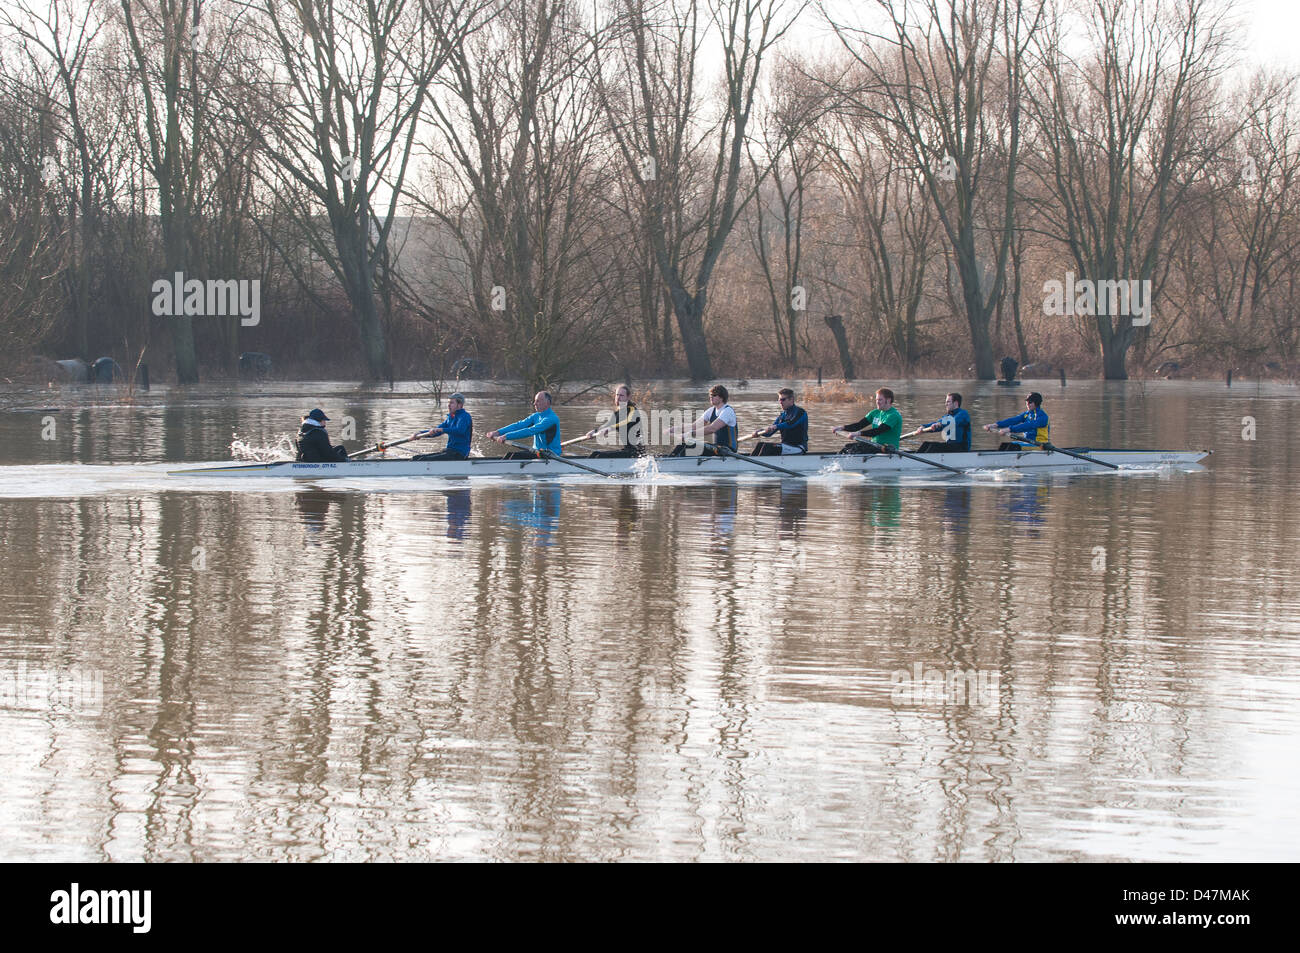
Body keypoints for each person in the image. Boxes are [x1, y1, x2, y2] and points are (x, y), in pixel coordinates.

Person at [666, 384, 738, 457]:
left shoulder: (727, 411)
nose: (711, 397)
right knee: (683, 445)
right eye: (710, 395)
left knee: (689, 447)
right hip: (717, 448)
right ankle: (668, 461)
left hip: (728, 450)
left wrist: (690, 434)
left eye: (714, 395)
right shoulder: (711, 411)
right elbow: (694, 426)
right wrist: (675, 429)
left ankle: (674, 464)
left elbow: (712, 428)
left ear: (721, 398)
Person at [487, 391, 562, 458]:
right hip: (536, 451)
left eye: (538, 401)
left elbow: (530, 431)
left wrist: (506, 436)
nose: (534, 403)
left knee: (514, 457)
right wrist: (497, 432)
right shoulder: (535, 416)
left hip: (550, 454)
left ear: (547, 403)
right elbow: (518, 425)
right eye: (535, 401)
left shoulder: (551, 419)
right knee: (509, 455)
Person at [832, 388, 902, 453]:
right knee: (847, 447)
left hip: (887, 449)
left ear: (888, 400)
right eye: (876, 400)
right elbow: (859, 425)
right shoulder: (875, 412)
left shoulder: (893, 415)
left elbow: (877, 431)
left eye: (880, 400)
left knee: (854, 450)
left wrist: (858, 433)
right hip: (875, 445)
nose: (877, 402)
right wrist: (842, 427)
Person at [585, 384, 645, 458]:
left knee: (600, 456)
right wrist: (594, 431)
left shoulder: (633, 411)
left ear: (628, 397)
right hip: (627, 450)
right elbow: (607, 424)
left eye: (621, 395)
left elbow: (625, 422)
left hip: (636, 453)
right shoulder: (617, 413)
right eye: (617, 395)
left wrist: (609, 429)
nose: (618, 398)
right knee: (595, 454)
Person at [411, 393, 472, 461]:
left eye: (452, 403)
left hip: (459, 454)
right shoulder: (450, 418)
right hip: (449, 451)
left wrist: (443, 430)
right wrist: (419, 433)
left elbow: (459, 430)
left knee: (422, 460)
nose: (448, 405)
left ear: (460, 405)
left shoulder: (465, 416)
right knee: (416, 458)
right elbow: (436, 432)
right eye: (448, 403)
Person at [903, 392, 971, 452]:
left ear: (955, 403)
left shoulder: (963, 414)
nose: (945, 404)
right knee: (926, 444)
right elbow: (935, 424)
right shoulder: (947, 416)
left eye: (948, 402)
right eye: (946, 402)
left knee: (934, 447)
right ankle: (915, 459)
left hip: (962, 448)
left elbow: (953, 422)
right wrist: (923, 427)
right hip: (951, 446)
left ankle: (918, 464)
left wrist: (939, 424)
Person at [749, 388, 808, 455]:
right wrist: (759, 432)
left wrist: (776, 426)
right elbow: (769, 433)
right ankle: (748, 463)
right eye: (779, 399)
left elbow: (791, 424)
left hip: (798, 448)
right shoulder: (782, 416)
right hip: (786, 447)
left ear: (791, 399)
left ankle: (755, 464)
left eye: (783, 399)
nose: (780, 402)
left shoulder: (800, 412)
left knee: (767, 447)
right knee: (760, 445)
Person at [984, 391, 1050, 447]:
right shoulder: (1027, 414)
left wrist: (1009, 429)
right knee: (1005, 446)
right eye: (1026, 402)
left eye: (1030, 402)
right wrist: (995, 425)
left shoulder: (1043, 417)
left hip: (1040, 445)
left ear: (1036, 403)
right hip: (1028, 443)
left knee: (1013, 447)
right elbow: (1013, 420)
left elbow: (1028, 425)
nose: (1027, 404)